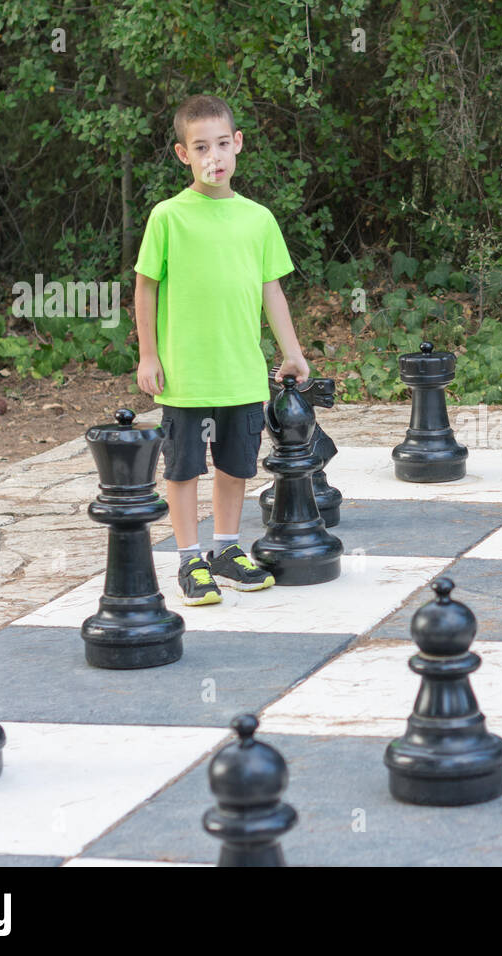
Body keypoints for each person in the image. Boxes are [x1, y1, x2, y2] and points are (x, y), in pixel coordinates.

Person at [133, 94, 310, 605]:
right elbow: (145, 287)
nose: (214, 156)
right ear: (183, 154)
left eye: (222, 144)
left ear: (238, 145)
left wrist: (292, 352)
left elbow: (271, 290)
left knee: (236, 467)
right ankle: (190, 559)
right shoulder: (168, 217)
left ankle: (226, 550)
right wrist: (149, 355)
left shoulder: (258, 219)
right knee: (184, 468)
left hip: (240, 373)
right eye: (200, 147)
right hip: (187, 375)